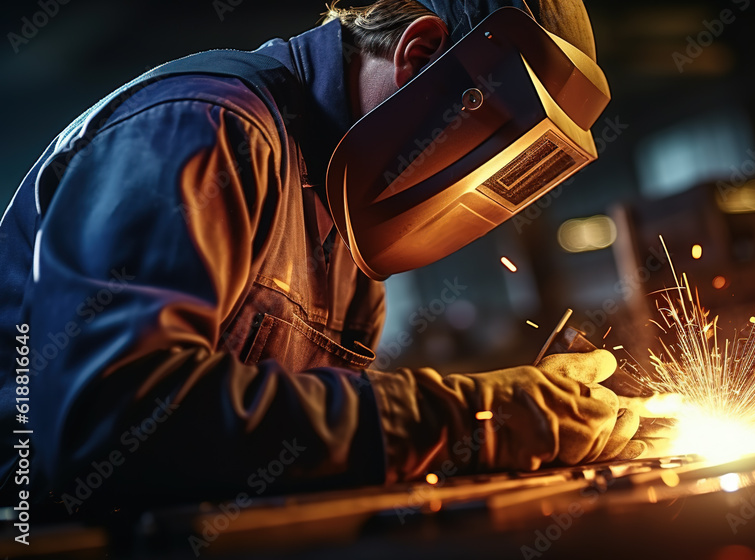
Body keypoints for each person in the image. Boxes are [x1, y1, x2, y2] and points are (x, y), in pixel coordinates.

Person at [0, 0, 653, 511]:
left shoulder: (343, 226)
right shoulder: (206, 129)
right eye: (477, 142)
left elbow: (305, 450)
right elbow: (109, 424)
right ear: (419, 53)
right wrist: (478, 419)